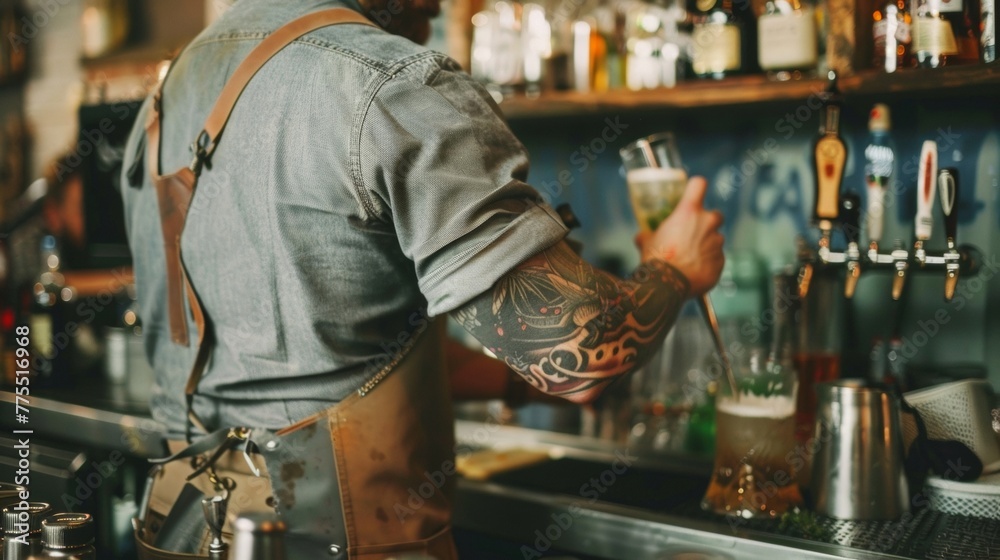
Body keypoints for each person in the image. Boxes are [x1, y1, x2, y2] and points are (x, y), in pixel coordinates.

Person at [119, 0, 724, 558]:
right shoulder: (390, 84)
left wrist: (521, 383)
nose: (439, 7)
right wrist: (675, 265)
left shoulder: (167, 96)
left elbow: (341, 356)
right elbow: (582, 353)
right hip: (342, 541)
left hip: (183, 530)